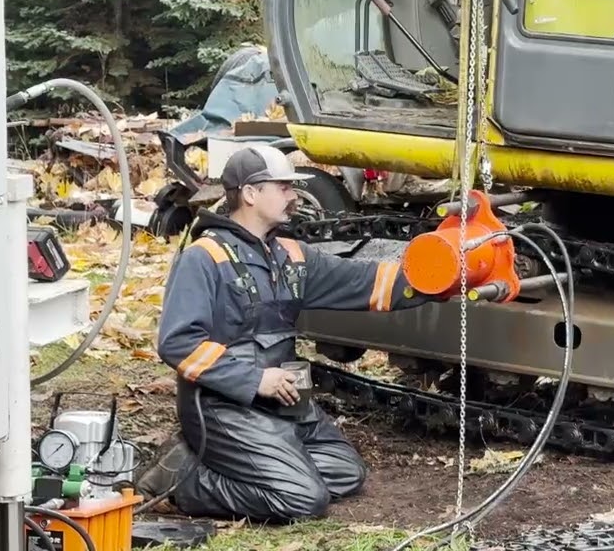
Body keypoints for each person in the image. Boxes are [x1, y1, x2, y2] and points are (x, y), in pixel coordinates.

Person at [135, 145, 426, 522]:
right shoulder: (204, 258)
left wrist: (437, 277)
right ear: (251, 194)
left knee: (347, 472)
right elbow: (177, 342)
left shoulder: (291, 254)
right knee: (304, 500)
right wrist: (255, 379)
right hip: (225, 406)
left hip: (285, 399)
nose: (293, 196)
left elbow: (367, 283)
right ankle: (179, 478)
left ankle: (271, 464)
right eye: (284, 187)